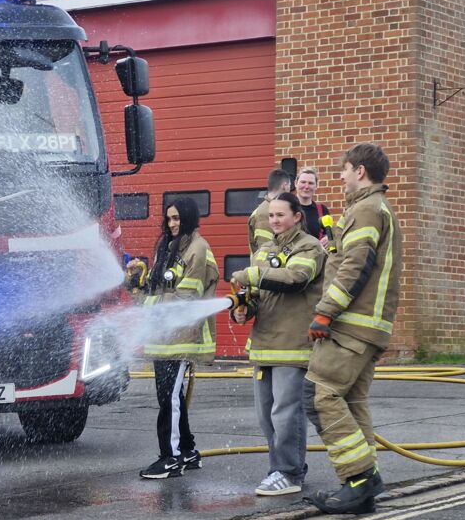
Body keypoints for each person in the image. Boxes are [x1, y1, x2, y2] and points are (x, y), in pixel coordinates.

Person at [305, 143, 402, 515]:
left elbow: (355, 267)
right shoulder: (377, 209)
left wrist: (326, 312)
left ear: (360, 171)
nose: (341, 176)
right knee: (351, 401)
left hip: (352, 327)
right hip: (370, 328)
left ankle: (360, 479)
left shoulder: (365, 209)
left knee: (320, 395)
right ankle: (363, 482)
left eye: (344, 170)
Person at [230, 193, 325, 496]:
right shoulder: (265, 250)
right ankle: (283, 468)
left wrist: (253, 275)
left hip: (293, 346)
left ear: (297, 216)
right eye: (271, 216)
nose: (274, 221)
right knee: (267, 415)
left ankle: (289, 472)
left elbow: (295, 278)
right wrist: (244, 309)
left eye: (280, 215)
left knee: (286, 414)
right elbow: (259, 293)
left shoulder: (308, 247)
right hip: (264, 346)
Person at [128, 197, 219, 479]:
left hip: (183, 339)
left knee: (170, 399)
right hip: (163, 338)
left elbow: (184, 298)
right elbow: (159, 291)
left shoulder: (198, 250)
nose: (172, 224)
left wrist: (148, 304)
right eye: (169, 218)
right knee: (172, 397)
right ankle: (188, 451)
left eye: (177, 218)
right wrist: (138, 287)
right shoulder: (167, 248)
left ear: (189, 218)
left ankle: (170, 458)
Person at [249, 169, 292, 254]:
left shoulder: (269, 209)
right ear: (284, 186)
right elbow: (265, 250)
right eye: (290, 186)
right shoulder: (264, 213)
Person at [294, 167, 331, 245]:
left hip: (316, 255)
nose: (306, 186)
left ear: (316, 186)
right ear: (295, 183)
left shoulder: (322, 210)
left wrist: (329, 238)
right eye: (303, 182)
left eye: (310, 183)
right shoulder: (287, 207)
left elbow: (330, 236)